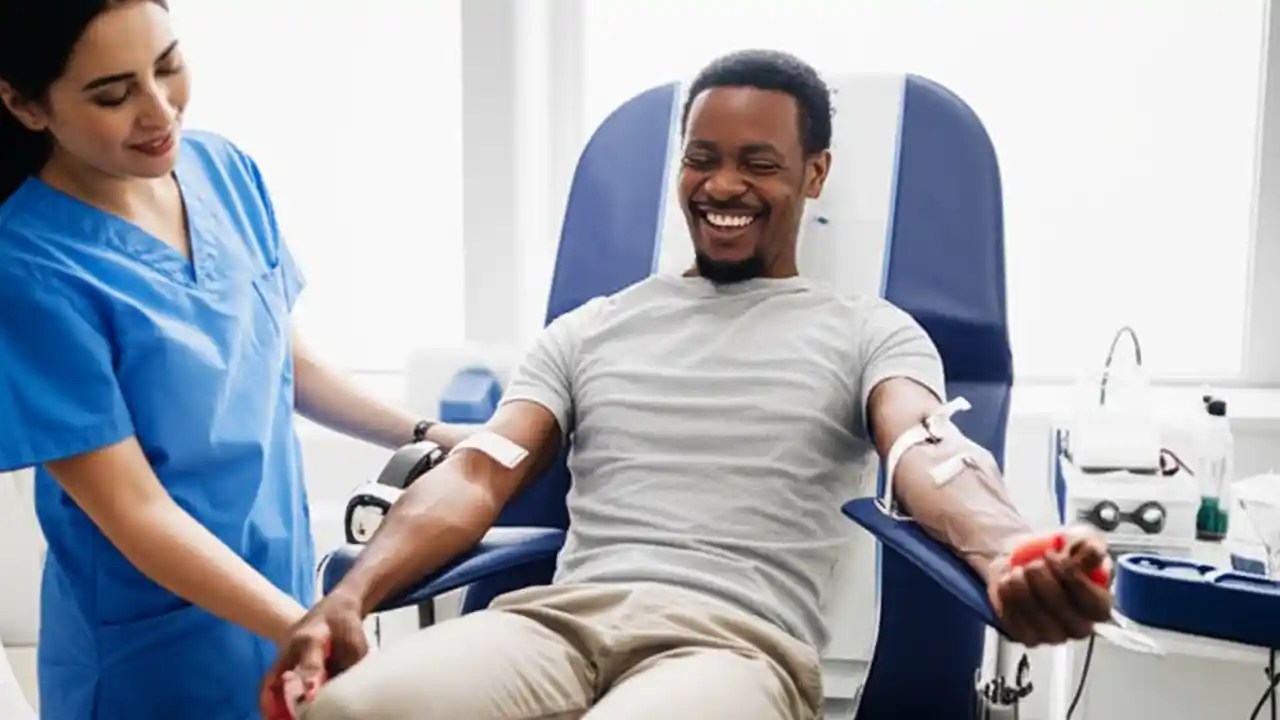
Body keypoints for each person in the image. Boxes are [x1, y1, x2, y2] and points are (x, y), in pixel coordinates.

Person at [268, 50, 1115, 720]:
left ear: (814, 174)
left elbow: (930, 452)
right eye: (702, 159)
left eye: (759, 163)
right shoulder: (589, 329)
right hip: (553, 624)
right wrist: (349, 597)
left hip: (734, 648)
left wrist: (1008, 547)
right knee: (349, 708)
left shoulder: (868, 331)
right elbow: (482, 470)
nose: (723, 186)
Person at [0, 2, 472, 718]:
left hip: (281, 598)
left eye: (167, 67)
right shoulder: (29, 268)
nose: (159, 111)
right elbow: (133, 511)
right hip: (152, 658)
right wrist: (308, 629)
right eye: (113, 95)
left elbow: (280, 360)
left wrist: (428, 434)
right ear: (25, 105)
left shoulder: (223, 171)